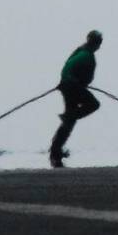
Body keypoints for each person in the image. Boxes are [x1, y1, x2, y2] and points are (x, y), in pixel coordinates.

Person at [49, 30, 103, 168]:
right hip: (72, 86)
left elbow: (67, 67)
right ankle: (56, 149)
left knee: (70, 120)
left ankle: (55, 151)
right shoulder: (89, 57)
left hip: (66, 84)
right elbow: (87, 78)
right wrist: (79, 84)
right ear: (98, 44)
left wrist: (66, 82)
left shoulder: (79, 50)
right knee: (94, 105)